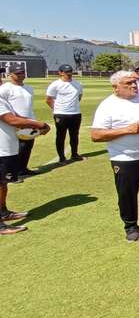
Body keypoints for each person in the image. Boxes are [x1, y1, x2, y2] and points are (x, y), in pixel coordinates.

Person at [91, 71, 139, 241]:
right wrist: (127, 129)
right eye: (129, 83)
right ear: (116, 87)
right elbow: (96, 135)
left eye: (135, 82)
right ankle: (131, 225)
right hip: (124, 158)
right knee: (127, 193)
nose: (134, 85)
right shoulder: (107, 106)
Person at [0, 95, 49, 234]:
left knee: (3, 182)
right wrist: (40, 125)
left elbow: (16, 116)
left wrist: (32, 123)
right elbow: (12, 120)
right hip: (1, 150)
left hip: (6, 148)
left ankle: (3, 212)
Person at [0, 64, 37, 176]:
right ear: (10, 74)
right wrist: (16, 120)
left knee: (27, 146)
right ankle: (12, 172)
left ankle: (23, 168)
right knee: (16, 149)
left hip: (29, 122)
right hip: (14, 123)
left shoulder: (29, 88)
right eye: (18, 73)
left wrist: (33, 121)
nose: (21, 75)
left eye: (22, 72)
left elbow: (29, 106)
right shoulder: (5, 89)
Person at [46, 64, 84, 164]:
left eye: (70, 71)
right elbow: (49, 100)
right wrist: (57, 110)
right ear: (60, 73)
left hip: (75, 113)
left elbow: (79, 97)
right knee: (60, 136)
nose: (69, 74)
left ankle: (74, 154)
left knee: (74, 135)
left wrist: (72, 107)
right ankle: (61, 157)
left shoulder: (78, 84)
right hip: (61, 114)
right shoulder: (55, 84)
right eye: (66, 72)